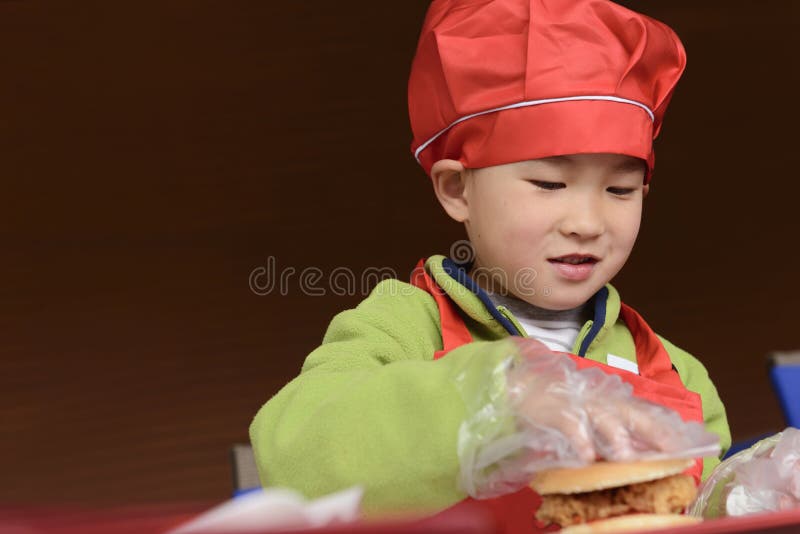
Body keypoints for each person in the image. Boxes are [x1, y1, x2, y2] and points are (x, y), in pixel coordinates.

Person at [249, 0, 731, 518]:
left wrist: (743, 491)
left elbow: (693, 504)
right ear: (457, 189)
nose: (587, 222)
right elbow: (291, 454)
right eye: (549, 183)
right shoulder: (406, 327)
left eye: (620, 189)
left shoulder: (670, 369)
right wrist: (490, 403)